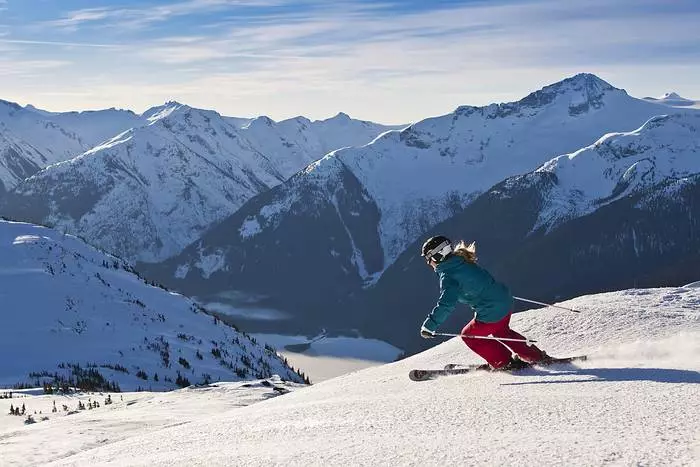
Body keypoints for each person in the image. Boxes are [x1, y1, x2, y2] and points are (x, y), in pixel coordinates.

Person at [419, 235, 548, 370]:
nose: (428, 263)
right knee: (501, 331)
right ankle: (536, 356)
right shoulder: (461, 261)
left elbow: (447, 303)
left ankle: (503, 362)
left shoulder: (448, 275)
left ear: (438, 256)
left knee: (469, 336)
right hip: (504, 299)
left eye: (428, 258)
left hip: (492, 309)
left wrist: (430, 325)